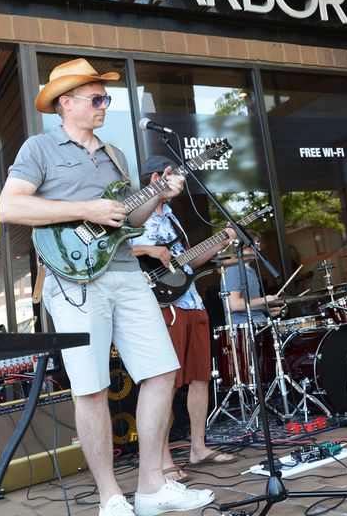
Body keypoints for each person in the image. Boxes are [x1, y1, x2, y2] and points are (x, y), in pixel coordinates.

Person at [0, 58, 214, 516]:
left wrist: (157, 195)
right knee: (91, 388)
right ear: (65, 103)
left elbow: (126, 221)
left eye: (106, 98)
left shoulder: (115, 154)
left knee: (160, 371)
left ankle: (153, 485)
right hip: (73, 280)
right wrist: (86, 210)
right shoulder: (39, 148)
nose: (104, 105)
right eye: (96, 98)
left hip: (125, 274)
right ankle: (110, 497)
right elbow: (10, 208)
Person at [126, 156, 237, 482]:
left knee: (200, 376)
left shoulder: (172, 217)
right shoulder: (136, 215)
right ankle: (161, 461)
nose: (179, 183)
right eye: (174, 177)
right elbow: (113, 249)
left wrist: (222, 240)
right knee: (165, 383)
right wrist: (147, 250)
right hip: (162, 306)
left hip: (191, 300)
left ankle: (198, 448)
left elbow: (186, 263)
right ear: (158, 177)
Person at [220, 231, 283, 325]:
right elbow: (234, 305)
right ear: (246, 245)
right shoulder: (233, 269)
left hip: (258, 322)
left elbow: (250, 304)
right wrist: (264, 300)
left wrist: (266, 309)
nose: (260, 249)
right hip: (243, 328)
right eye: (257, 244)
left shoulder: (251, 270)